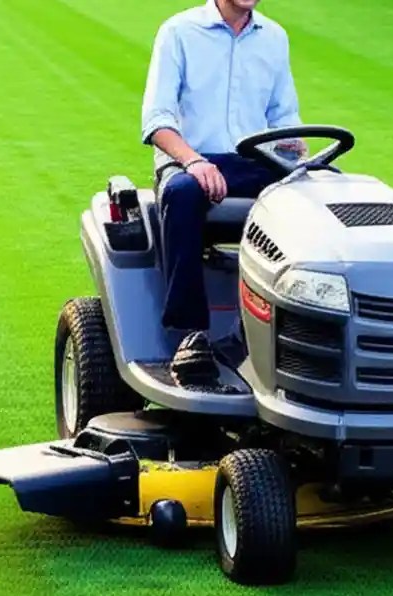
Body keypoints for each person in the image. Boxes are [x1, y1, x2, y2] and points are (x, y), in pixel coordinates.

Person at [141, 0, 302, 384]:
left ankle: (295, 324)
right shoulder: (178, 32)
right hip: (188, 160)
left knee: (321, 188)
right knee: (182, 194)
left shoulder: (274, 38)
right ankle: (189, 335)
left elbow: (284, 118)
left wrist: (295, 146)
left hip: (250, 162)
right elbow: (156, 121)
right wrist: (195, 163)